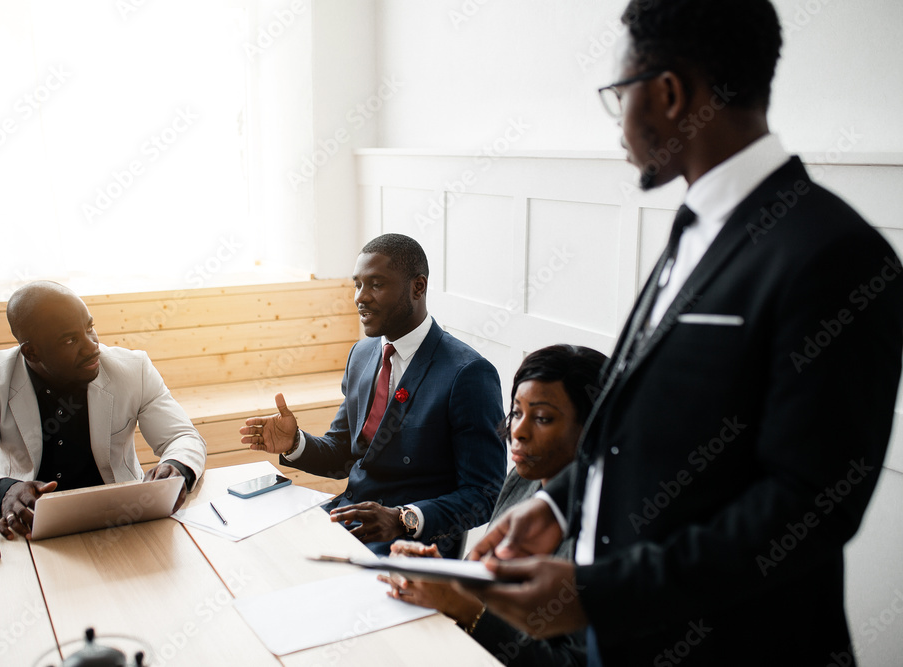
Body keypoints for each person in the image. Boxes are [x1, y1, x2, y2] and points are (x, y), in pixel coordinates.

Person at [465, 1, 903, 665]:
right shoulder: (695, 230)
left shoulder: (833, 252)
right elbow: (640, 434)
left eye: (620, 95)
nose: (618, 124)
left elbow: (808, 507)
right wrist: (556, 507)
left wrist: (601, 592)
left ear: (669, 94)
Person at [241, 233, 506, 558]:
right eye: (358, 285)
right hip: (347, 523)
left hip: (410, 547)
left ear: (417, 287)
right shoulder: (362, 355)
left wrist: (404, 519)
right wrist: (295, 443)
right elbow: (344, 453)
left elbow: (484, 495)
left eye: (376, 284)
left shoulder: (468, 374)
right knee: (262, 554)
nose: (360, 298)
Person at [380, 344, 606, 666]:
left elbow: (570, 661)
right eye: (516, 412)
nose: (519, 431)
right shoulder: (521, 480)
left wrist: (466, 609)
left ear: (592, 429)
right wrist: (440, 574)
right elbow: (484, 576)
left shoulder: (604, 532)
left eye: (542, 418)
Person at [0, 281, 207, 540]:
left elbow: (183, 437)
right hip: (29, 525)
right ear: (31, 352)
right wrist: (7, 490)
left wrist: (176, 468)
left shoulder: (134, 369)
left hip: (121, 520)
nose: (92, 346)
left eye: (90, 327)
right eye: (69, 340)